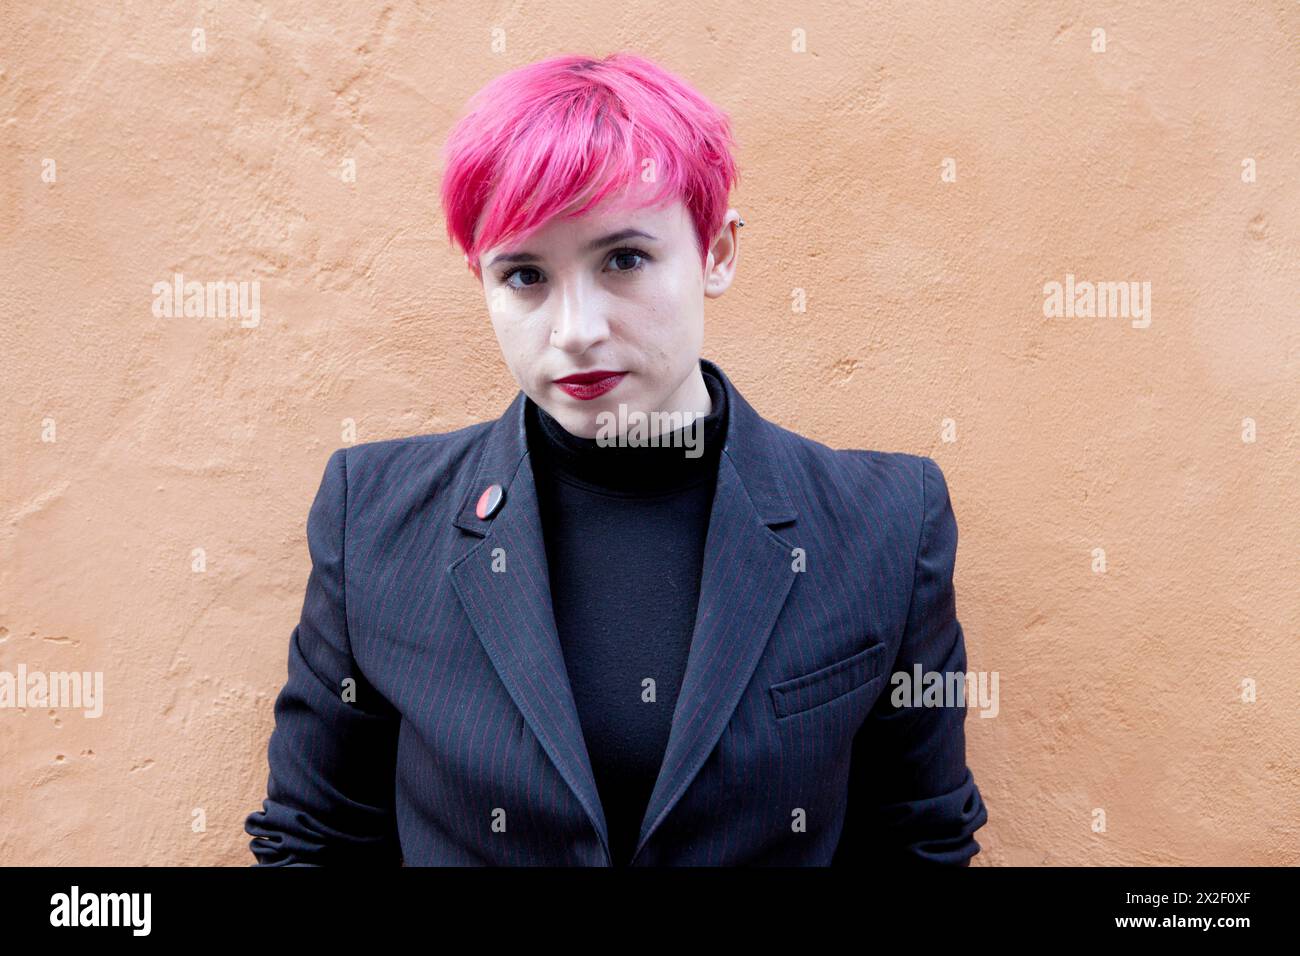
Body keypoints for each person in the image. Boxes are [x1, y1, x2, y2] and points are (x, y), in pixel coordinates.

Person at [245, 51, 988, 866]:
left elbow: (921, 841)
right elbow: (312, 841)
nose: (575, 329)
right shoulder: (375, 518)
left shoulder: (884, 523)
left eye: (624, 260)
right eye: (524, 274)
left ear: (717, 253)